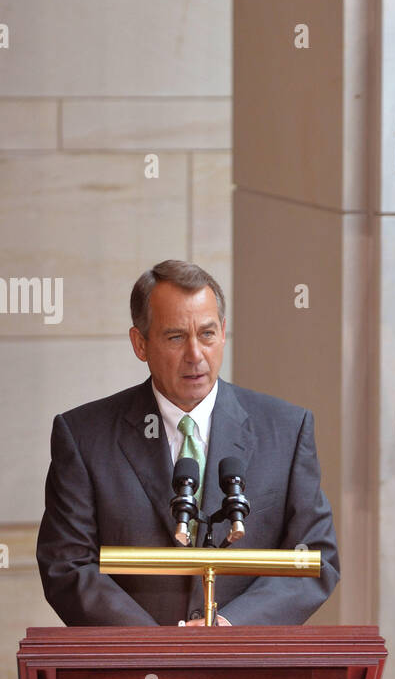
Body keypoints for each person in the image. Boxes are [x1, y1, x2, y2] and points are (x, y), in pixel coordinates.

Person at [37, 259, 339, 627]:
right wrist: (162, 648)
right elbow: (67, 564)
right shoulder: (84, 436)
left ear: (224, 333)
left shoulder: (287, 430)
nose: (195, 354)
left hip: (247, 672)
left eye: (207, 334)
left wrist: (230, 628)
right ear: (140, 343)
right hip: (131, 671)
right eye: (176, 337)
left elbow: (314, 558)